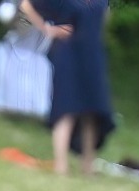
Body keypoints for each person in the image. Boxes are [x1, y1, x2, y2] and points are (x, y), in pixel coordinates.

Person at [19, 0, 115, 176]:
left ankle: (87, 166)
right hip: (68, 56)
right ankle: (61, 165)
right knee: (67, 109)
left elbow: (104, 18)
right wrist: (48, 30)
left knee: (92, 112)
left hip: (92, 57)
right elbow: (26, 5)